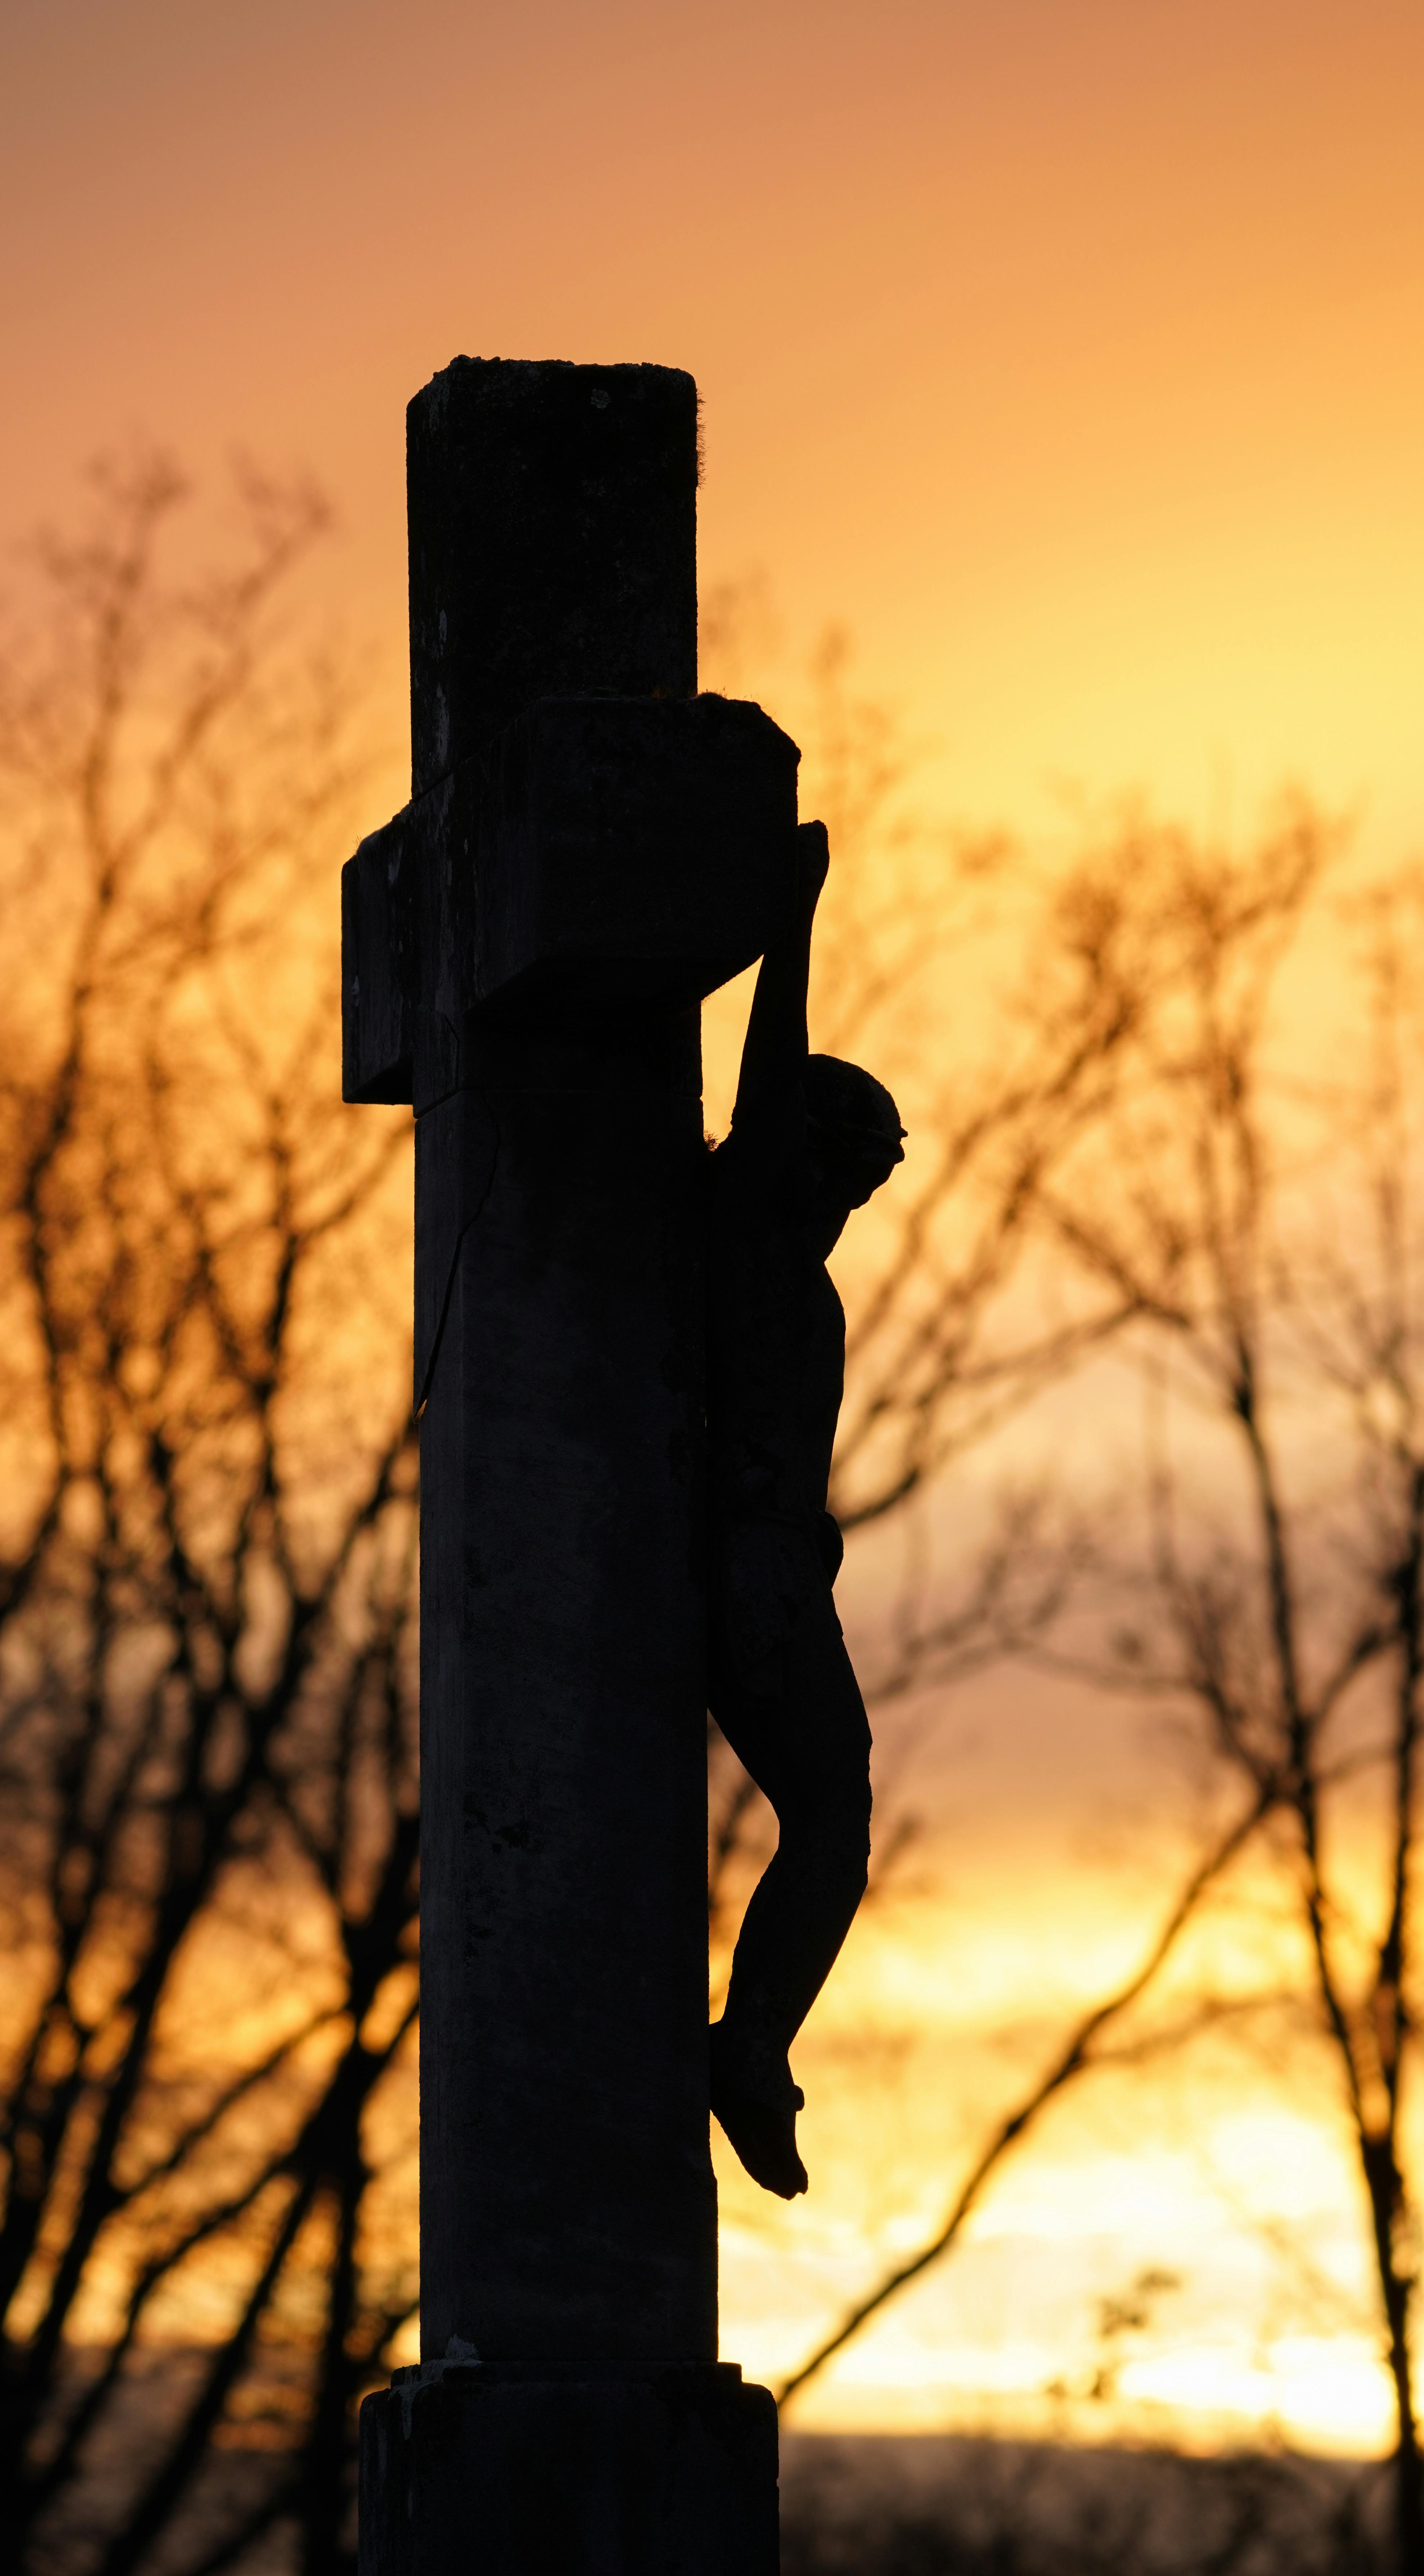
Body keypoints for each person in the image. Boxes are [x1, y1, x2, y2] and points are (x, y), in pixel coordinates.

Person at [706, 818, 904, 2199]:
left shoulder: (794, 1264)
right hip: (746, 1571)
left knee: (838, 1818)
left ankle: (754, 2048)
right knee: (832, 1817)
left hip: (781, 1570)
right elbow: (771, 1083)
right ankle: (750, 2052)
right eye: (857, 1167)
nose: (859, 1196)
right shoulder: (753, 1220)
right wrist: (789, 922)